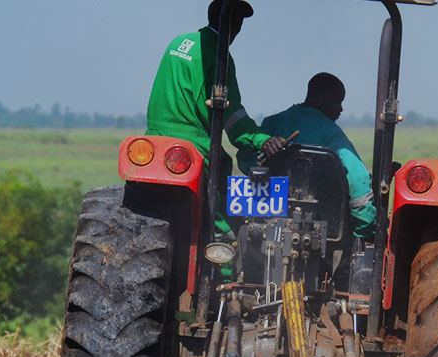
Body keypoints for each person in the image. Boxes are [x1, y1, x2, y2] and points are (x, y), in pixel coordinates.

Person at [144, 0, 286, 238]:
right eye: (238, 23)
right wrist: (262, 140)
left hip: (155, 141)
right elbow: (233, 118)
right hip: (193, 143)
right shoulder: (220, 57)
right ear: (236, 26)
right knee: (220, 174)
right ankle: (222, 252)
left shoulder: (178, 42)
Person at [239, 73, 376, 238]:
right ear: (319, 98)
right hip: (321, 227)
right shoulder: (333, 135)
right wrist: (365, 229)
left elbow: (245, 161)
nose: (340, 109)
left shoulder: (272, 123)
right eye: (336, 102)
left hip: (268, 220)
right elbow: (358, 182)